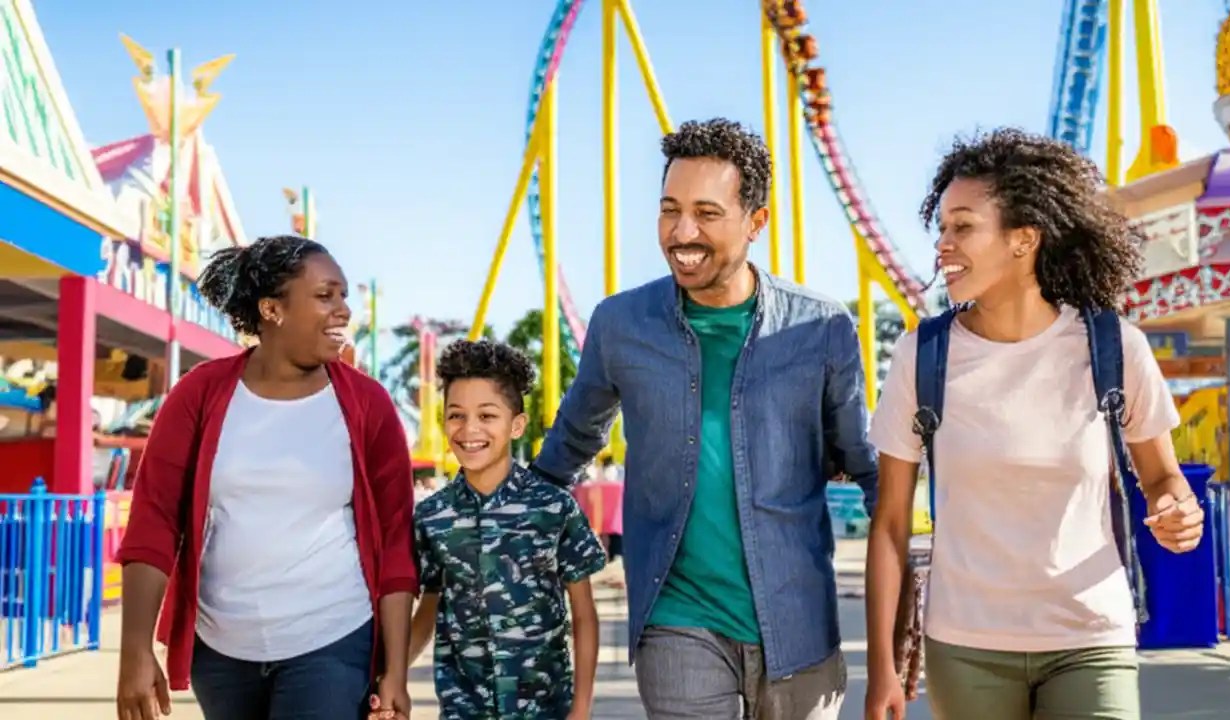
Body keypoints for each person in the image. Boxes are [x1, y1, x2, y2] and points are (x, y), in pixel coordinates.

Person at [533, 117, 872, 718]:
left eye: (707, 213)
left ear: (756, 221)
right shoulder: (620, 324)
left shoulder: (821, 328)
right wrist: (503, 515)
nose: (681, 232)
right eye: (669, 209)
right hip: (676, 616)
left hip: (799, 620)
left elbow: (864, 461)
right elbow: (571, 442)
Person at [863, 128, 1205, 720]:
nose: (942, 244)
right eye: (941, 228)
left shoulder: (1113, 348)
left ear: (1024, 239)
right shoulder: (924, 356)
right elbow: (890, 525)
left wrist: (1180, 512)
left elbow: (1163, 478)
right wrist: (881, 670)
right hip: (966, 644)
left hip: (1091, 637)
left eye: (963, 227)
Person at [114, 235, 416, 720]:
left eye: (343, 297)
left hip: (334, 641)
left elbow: (397, 540)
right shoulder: (199, 394)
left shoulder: (367, 404)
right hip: (221, 652)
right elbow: (153, 524)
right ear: (272, 310)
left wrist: (395, 667)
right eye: (325, 296)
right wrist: (134, 651)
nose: (343, 310)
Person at [404, 339, 606, 719]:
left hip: (545, 709)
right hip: (464, 709)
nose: (469, 429)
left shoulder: (554, 508)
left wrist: (581, 709)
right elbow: (428, 609)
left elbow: (583, 614)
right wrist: (392, 677)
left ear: (516, 425)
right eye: (456, 415)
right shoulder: (431, 516)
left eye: (487, 415)